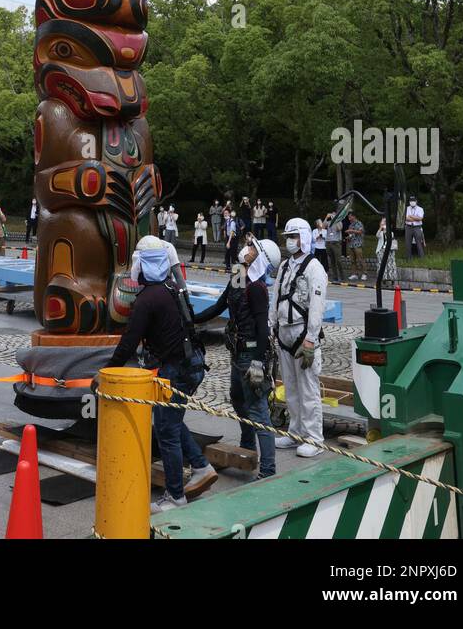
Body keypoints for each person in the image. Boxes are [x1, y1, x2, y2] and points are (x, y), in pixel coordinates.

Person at [106, 236, 217, 513]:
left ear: (140, 264)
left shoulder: (146, 299)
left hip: (175, 369)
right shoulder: (171, 288)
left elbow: (130, 340)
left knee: (166, 430)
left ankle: (175, 495)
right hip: (192, 363)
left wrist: (107, 370)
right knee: (172, 419)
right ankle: (201, 466)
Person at [196, 235, 281, 480]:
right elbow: (220, 305)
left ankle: (268, 470)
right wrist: (191, 318)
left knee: (259, 410)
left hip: (251, 354)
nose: (246, 248)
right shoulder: (238, 274)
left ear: (259, 257)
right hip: (236, 353)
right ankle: (246, 449)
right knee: (237, 398)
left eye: (252, 247)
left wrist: (258, 363)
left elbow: (263, 330)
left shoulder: (257, 288)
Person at [271, 218, 328, 458]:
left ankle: (314, 438)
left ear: (303, 237)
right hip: (284, 333)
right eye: (287, 237)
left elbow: (317, 305)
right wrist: (270, 325)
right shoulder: (285, 266)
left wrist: (311, 339)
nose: (289, 241)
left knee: (308, 388)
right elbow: (275, 296)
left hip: (303, 334)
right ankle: (295, 432)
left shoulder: (315, 268)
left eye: (293, 236)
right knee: (291, 387)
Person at [375, 217, 398, 285]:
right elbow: (377, 235)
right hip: (381, 249)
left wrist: (386, 230)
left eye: (384, 222)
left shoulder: (391, 233)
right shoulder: (380, 232)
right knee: (381, 264)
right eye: (382, 221)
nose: (383, 223)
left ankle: (391, 278)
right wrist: (380, 228)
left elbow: (390, 238)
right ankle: (383, 278)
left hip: (390, 250)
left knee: (390, 264)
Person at [345, 212, 366, 280]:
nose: (349, 218)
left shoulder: (359, 223)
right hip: (351, 244)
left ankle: (364, 274)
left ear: (354, 216)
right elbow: (351, 235)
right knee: (352, 260)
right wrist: (348, 237)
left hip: (358, 244)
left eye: (350, 217)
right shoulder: (350, 225)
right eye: (348, 217)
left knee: (360, 259)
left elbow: (360, 232)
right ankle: (354, 274)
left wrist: (351, 231)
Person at [405, 195, 425, 259]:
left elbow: (420, 218)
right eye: (411, 201)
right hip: (408, 227)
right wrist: (415, 218)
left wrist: (410, 216)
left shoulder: (420, 209)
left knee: (419, 243)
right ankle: (409, 258)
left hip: (417, 227)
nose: (412, 202)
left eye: (413, 201)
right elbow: (406, 218)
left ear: (416, 201)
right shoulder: (407, 208)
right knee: (408, 243)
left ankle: (421, 257)